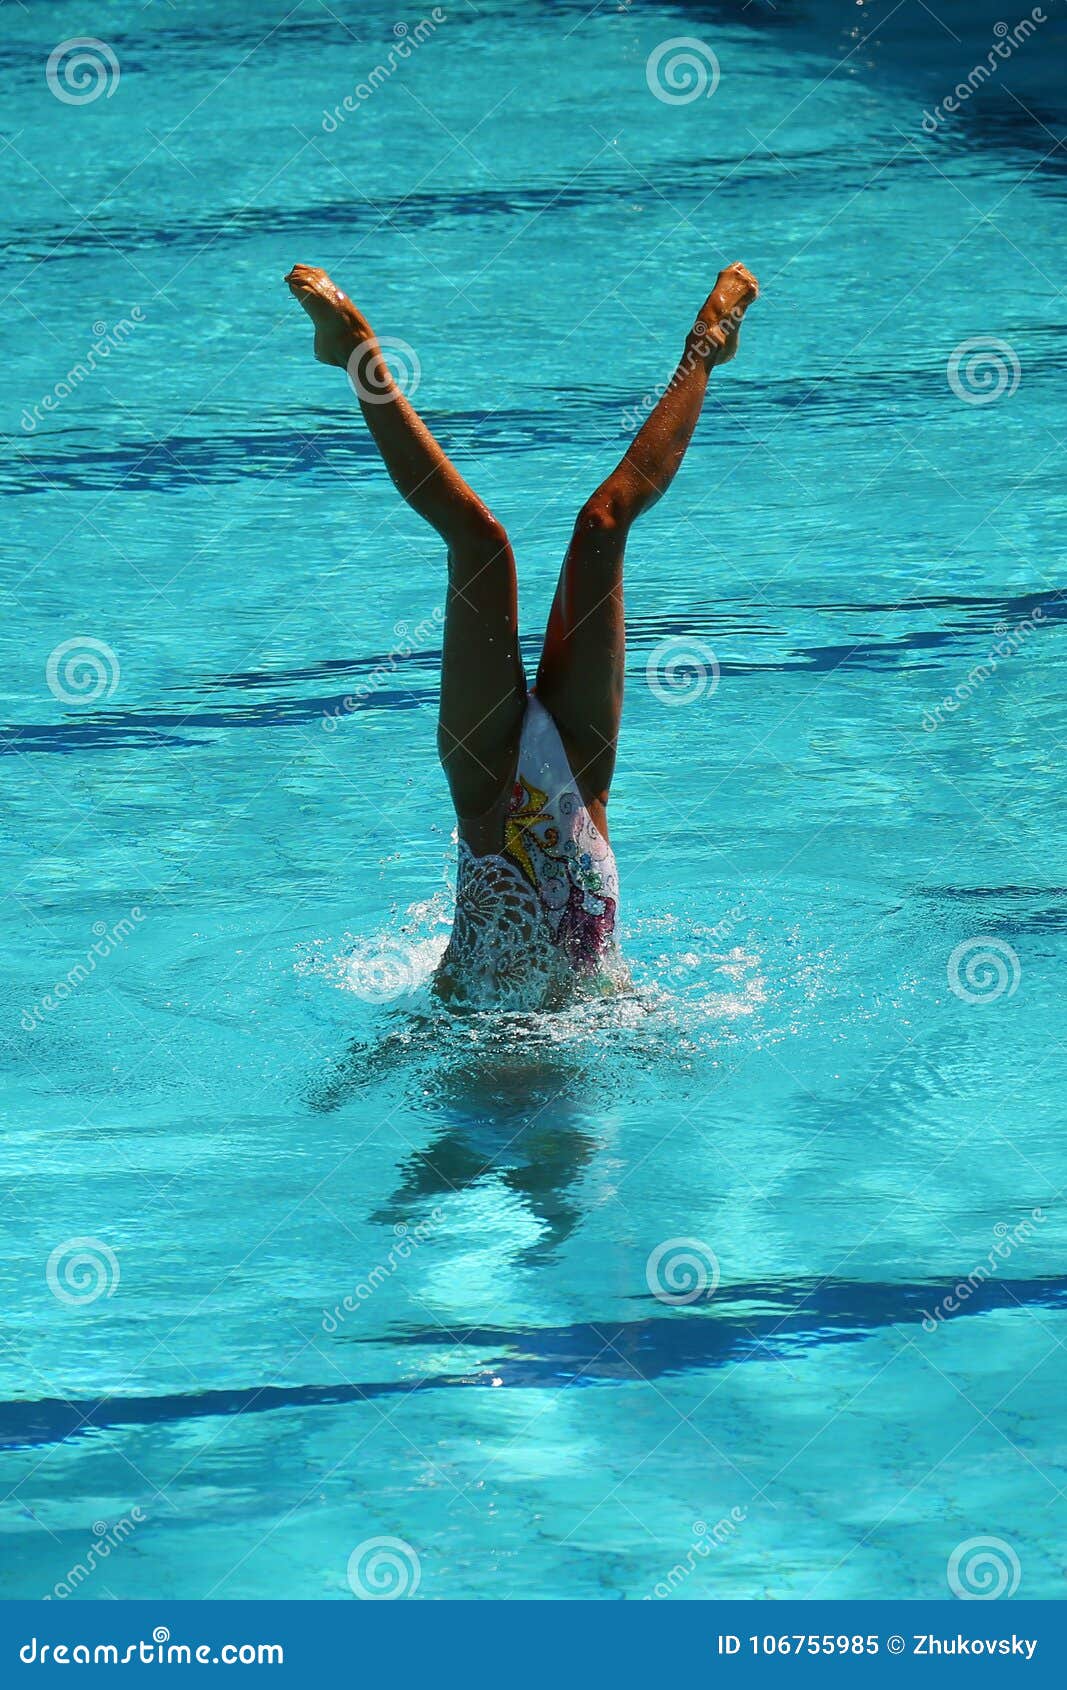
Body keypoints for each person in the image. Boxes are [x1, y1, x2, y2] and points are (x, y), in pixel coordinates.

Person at [286, 261, 759, 1010]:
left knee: (479, 542)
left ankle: (353, 359)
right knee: (599, 524)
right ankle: (704, 350)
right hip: (578, 765)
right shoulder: (586, 1014)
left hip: (488, 781)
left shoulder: (479, 1018)